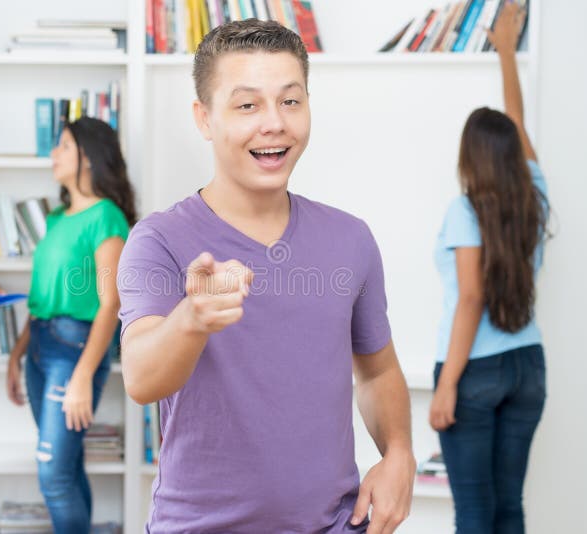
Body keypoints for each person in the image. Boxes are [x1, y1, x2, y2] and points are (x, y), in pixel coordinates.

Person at [117, 20, 415, 533]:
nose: (274, 123)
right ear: (204, 118)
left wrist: (400, 454)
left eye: (291, 101)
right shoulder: (158, 240)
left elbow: (378, 370)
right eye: (247, 105)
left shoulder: (351, 239)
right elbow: (142, 379)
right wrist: (191, 319)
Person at [429, 4, 550, 534]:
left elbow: (470, 296)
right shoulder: (535, 195)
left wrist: (447, 385)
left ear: (470, 158)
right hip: (528, 366)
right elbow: (517, 122)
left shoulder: (466, 208)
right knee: (509, 509)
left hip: (474, 370)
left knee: (475, 513)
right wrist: (506, 51)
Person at [6, 117, 136, 534]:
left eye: (63, 146)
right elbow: (41, 296)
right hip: (41, 346)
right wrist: (17, 352)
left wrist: (82, 374)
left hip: (73, 351)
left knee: (53, 476)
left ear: (88, 156)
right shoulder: (58, 217)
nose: (53, 154)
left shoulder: (107, 217)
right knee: (67, 467)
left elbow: (110, 301)